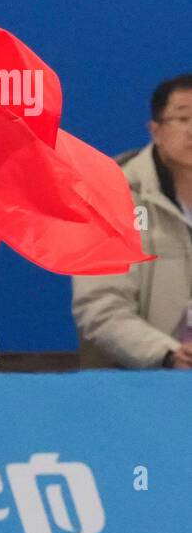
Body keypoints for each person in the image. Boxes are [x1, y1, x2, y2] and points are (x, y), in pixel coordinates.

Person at [73, 74, 192, 369]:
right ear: (155, 130)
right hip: (133, 385)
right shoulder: (111, 196)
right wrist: (167, 354)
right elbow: (100, 306)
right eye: (183, 118)